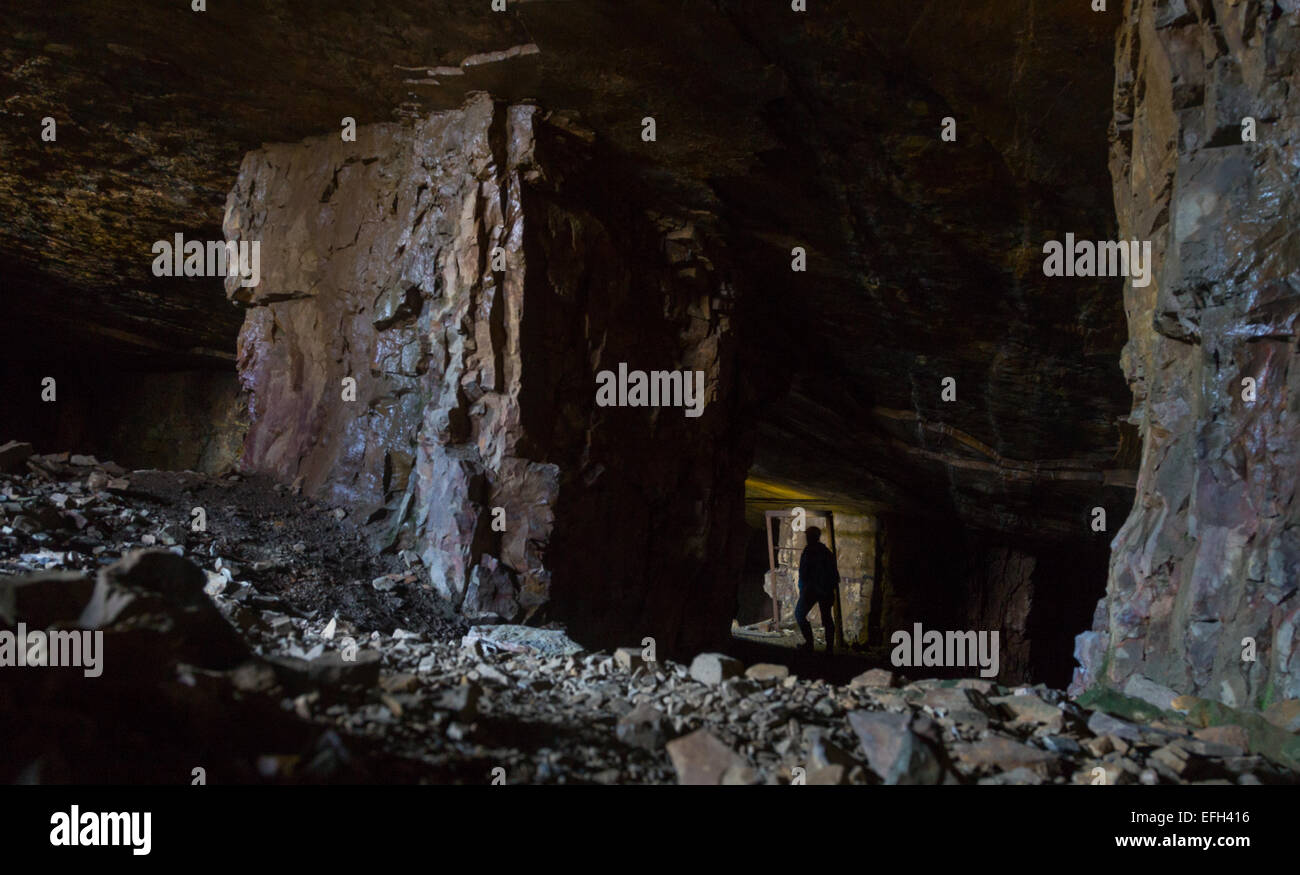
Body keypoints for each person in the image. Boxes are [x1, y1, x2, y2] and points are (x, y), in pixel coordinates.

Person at [795, 526, 840, 653]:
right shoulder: (825, 551)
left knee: (799, 614)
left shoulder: (809, 551)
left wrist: (803, 588)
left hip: (812, 590)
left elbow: (804, 573)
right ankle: (829, 648)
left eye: (808, 535)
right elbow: (834, 575)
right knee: (826, 618)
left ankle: (810, 644)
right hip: (824, 591)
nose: (807, 538)